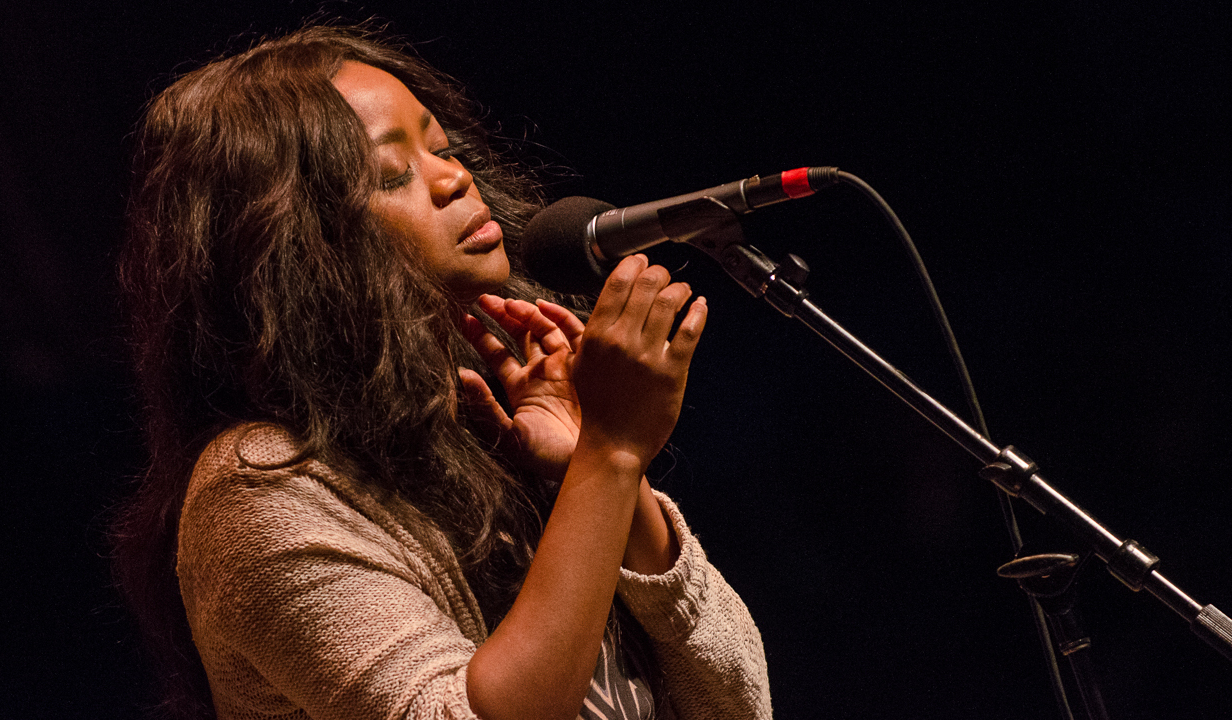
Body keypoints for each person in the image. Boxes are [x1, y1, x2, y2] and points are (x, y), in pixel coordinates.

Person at [113, 23, 770, 720]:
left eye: (444, 147)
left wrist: (606, 475)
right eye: (394, 172)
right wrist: (610, 452)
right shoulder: (261, 489)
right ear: (296, 244)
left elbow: (737, 704)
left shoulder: (496, 420)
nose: (456, 176)